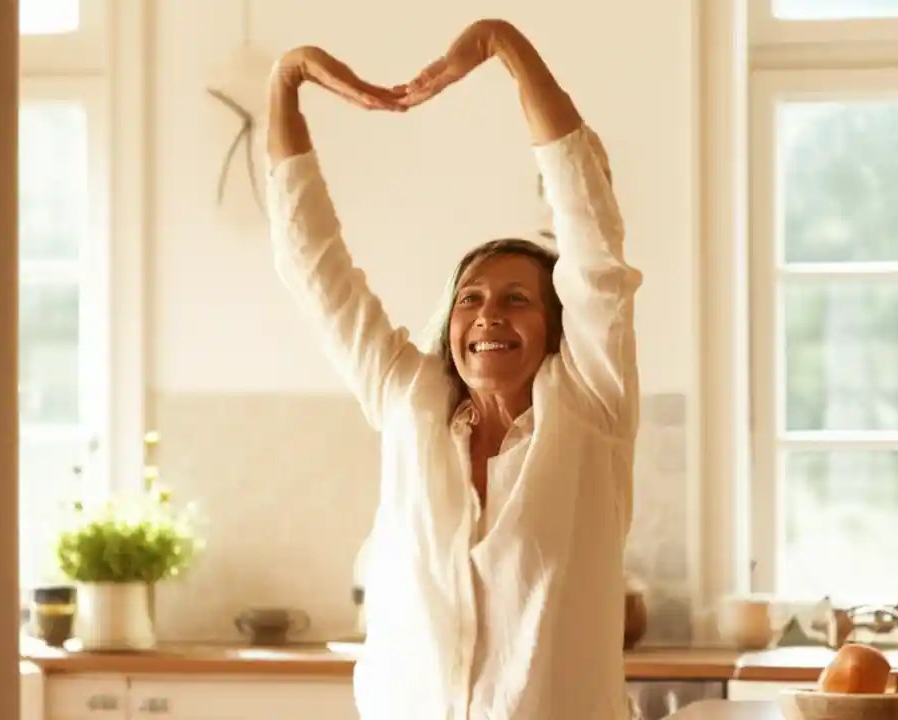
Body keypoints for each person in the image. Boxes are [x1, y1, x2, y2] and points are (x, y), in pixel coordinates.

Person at [266, 18, 643, 720]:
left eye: (517, 300)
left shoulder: (591, 403)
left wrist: (506, 45)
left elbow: (592, 235)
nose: (489, 315)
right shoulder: (409, 396)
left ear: (557, 324)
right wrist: (286, 80)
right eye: (470, 298)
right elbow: (313, 268)